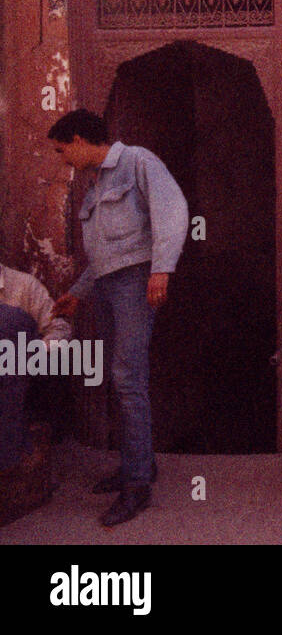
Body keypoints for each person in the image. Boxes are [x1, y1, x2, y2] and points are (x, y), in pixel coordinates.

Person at [48, 109, 189, 527]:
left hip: (135, 284)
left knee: (128, 380)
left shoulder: (138, 162)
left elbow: (173, 212)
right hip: (110, 286)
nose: (63, 160)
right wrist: (77, 292)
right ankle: (138, 464)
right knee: (122, 377)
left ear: (77, 139)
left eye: (61, 151)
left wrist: (162, 268)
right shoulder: (96, 183)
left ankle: (138, 486)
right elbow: (106, 253)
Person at [0, 263, 70, 525]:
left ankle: (8, 455)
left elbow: (60, 328)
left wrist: (31, 354)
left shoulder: (25, 286)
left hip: (18, 373)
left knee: (8, 322)